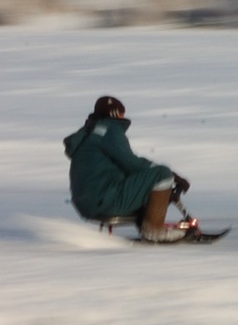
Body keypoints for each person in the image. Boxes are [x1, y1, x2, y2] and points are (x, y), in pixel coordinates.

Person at [63, 96, 196, 243]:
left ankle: (145, 224)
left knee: (147, 178)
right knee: (161, 174)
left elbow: (119, 165)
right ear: (115, 114)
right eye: (122, 113)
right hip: (105, 201)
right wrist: (172, 175)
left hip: (87, 203)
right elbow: (131, 163)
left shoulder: (89, 133)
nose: (123, 116)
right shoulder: (109, 131)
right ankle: (154, 231)